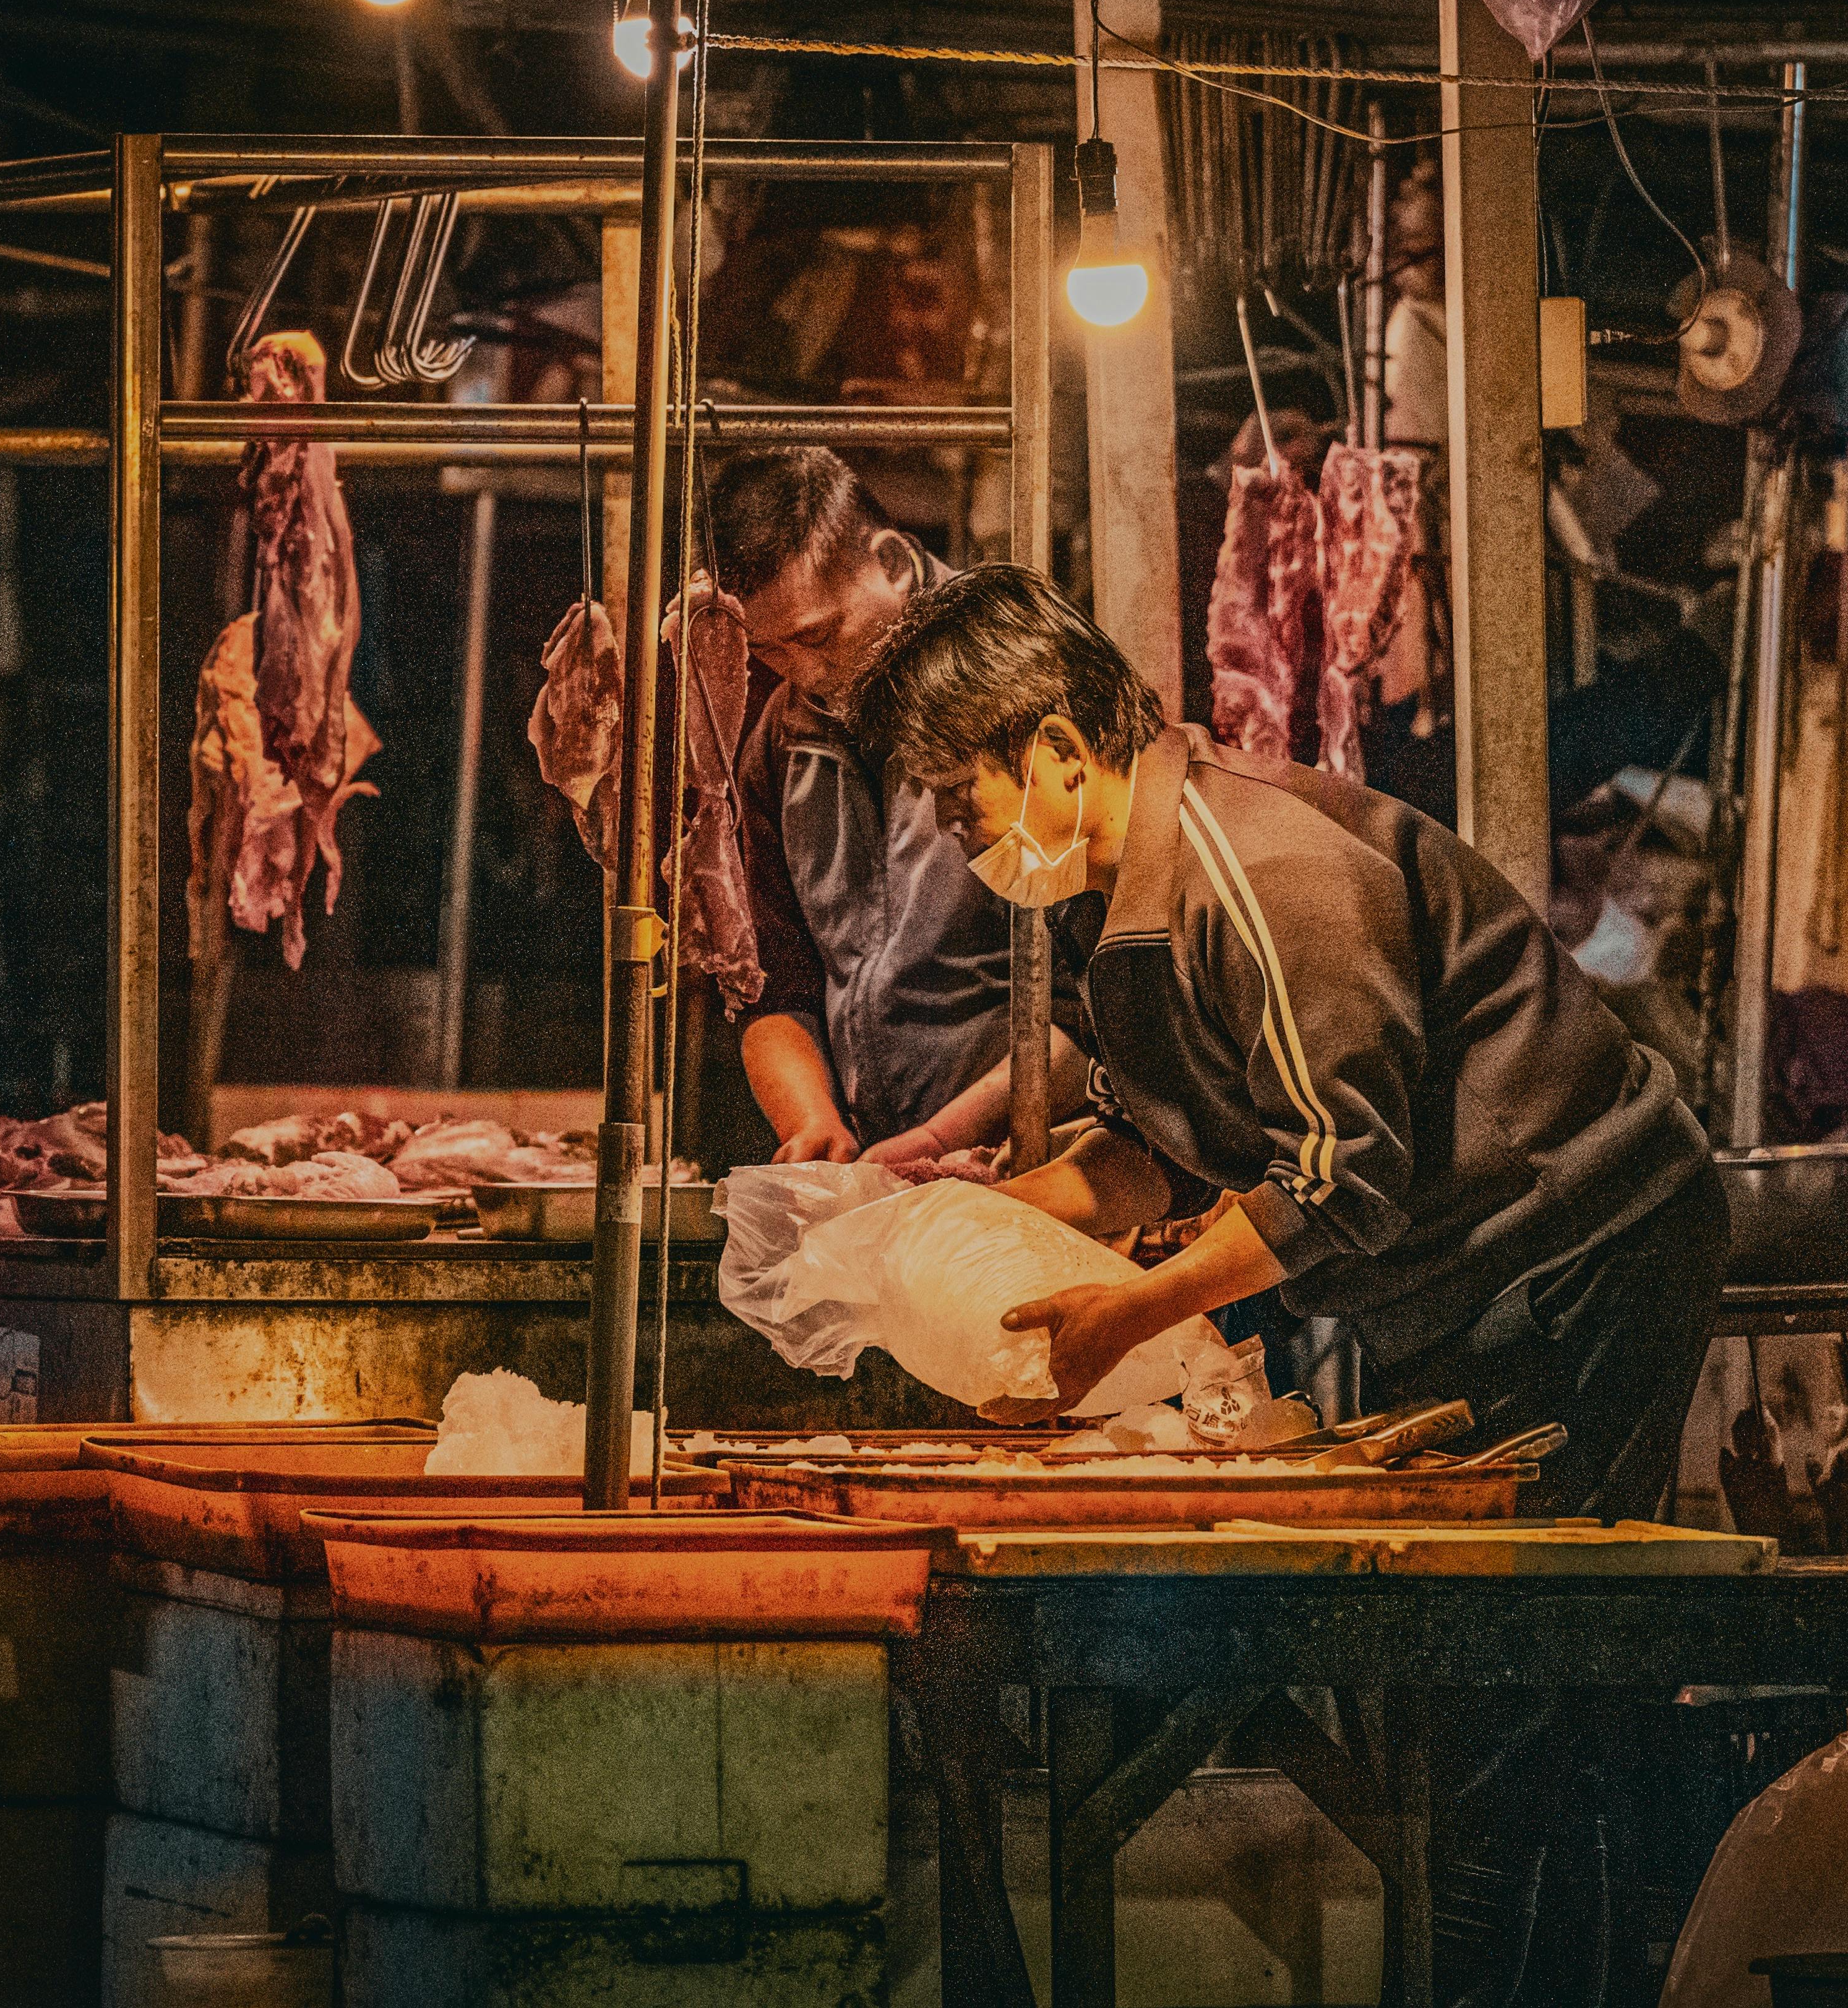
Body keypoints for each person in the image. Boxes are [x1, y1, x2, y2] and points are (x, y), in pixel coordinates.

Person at [849, 563, 1729, 1520]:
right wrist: (977, 1224)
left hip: (1580, 1246)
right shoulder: (1094, 903)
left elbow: (1336, 1183)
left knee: (1541, 1622)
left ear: (1058, 751)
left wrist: (1135, 1313)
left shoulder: (1265, 873)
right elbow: (1161, 1151)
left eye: (955, 792)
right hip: (1441, 1272)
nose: (949, 826)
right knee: (1448, 1613)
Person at [700, 448, 1079, 1163]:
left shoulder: (1027, 692)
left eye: (819, 633)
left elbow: (1117, 995)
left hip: (1049, 1157)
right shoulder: (782, 738)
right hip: (894, 1166)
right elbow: (773, 981)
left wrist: (946, 1136)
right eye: (771, 652)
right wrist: (811, 1120)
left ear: (894, 563)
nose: (807, 673)